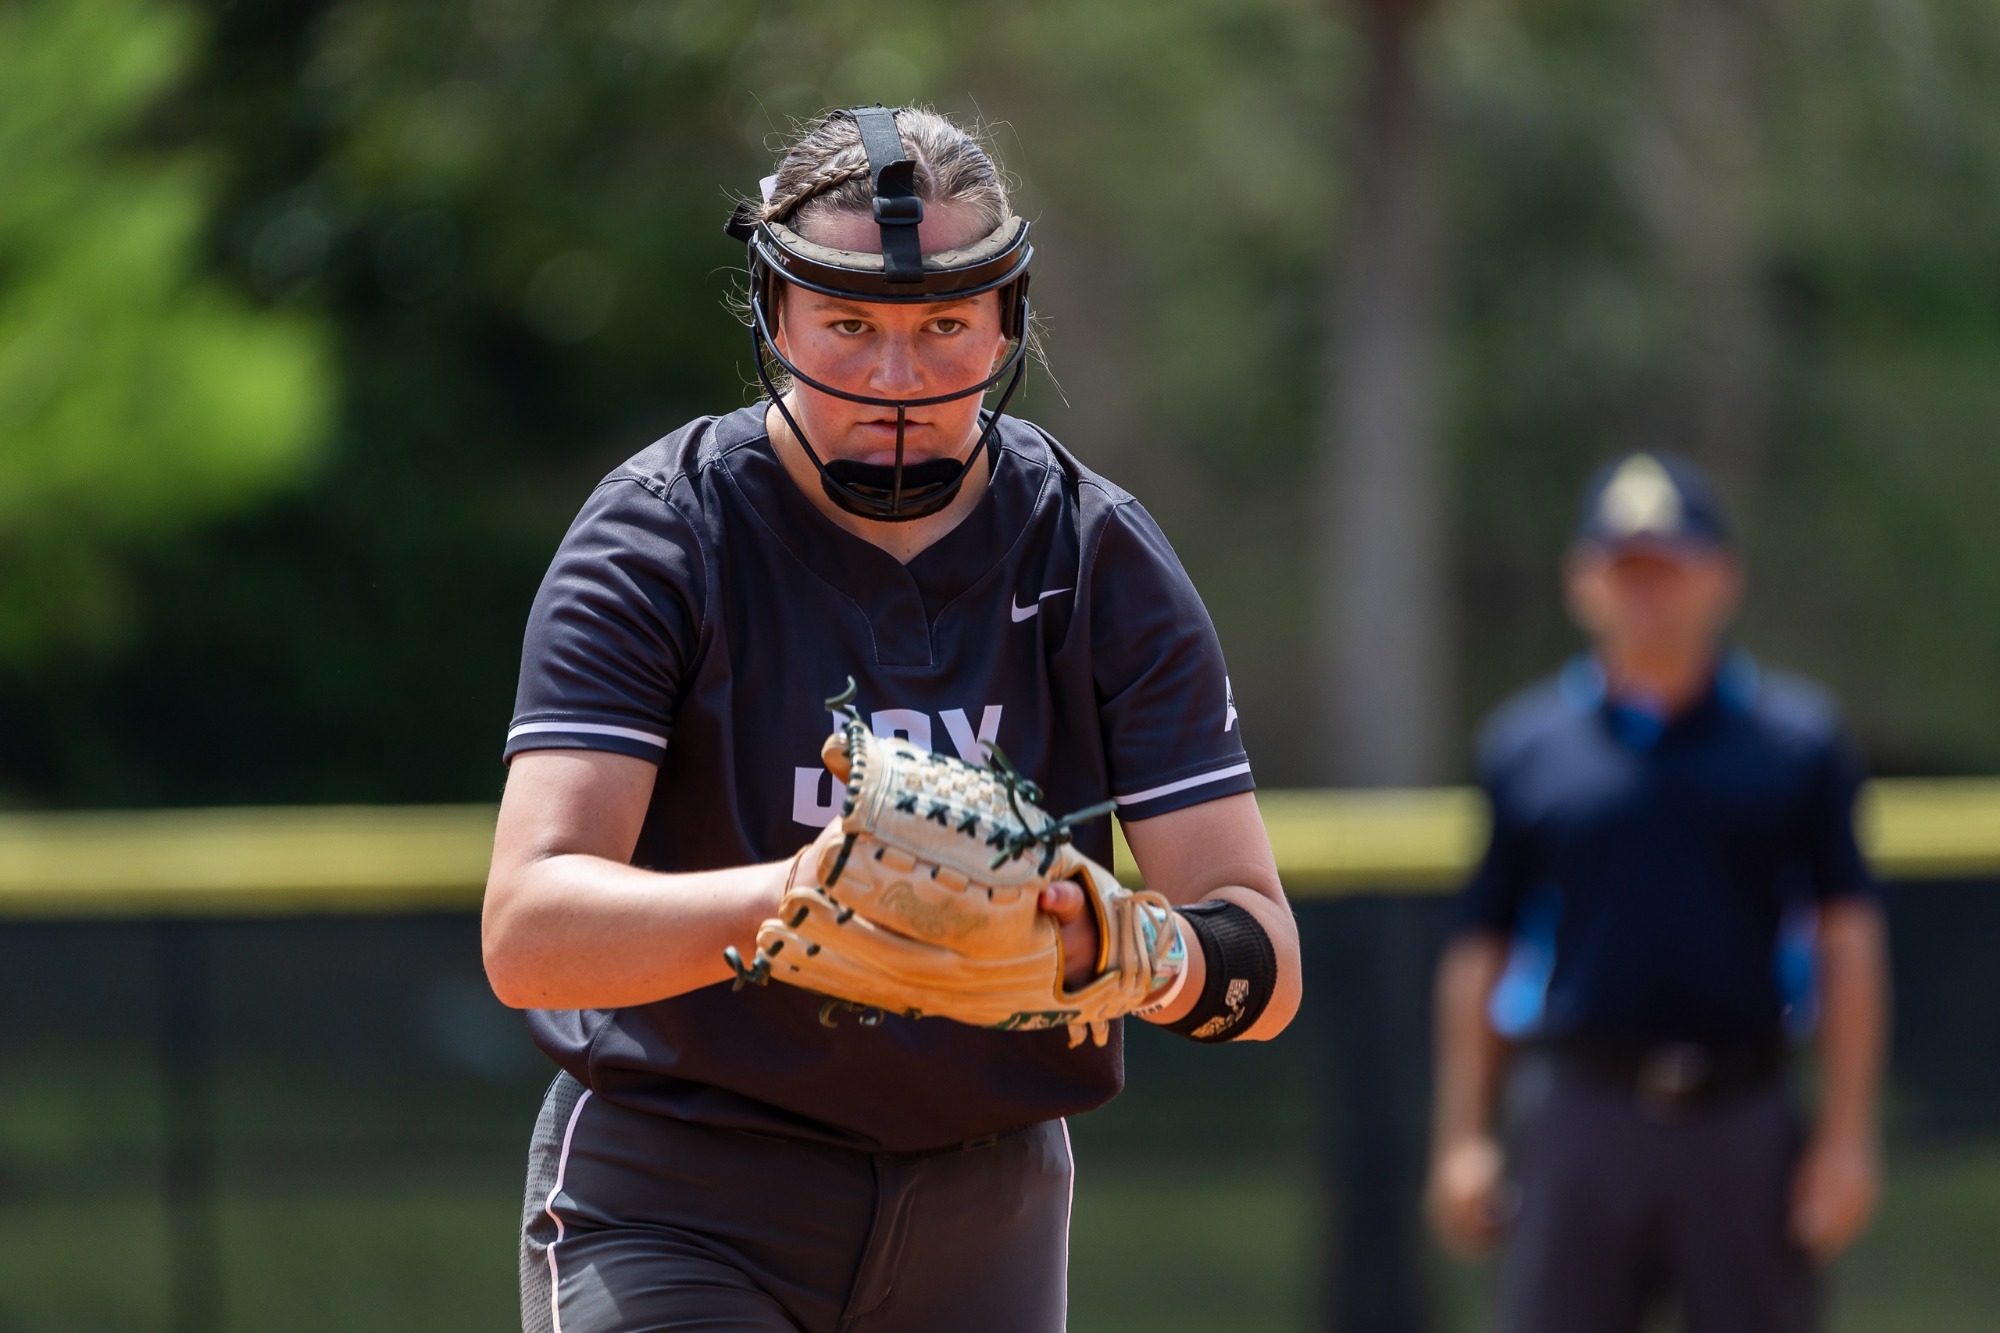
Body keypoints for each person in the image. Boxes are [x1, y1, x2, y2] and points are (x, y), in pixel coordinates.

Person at [481, 105, 1302, 1333]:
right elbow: (530, 929)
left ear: (1006, 321)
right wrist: (813, 898)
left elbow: (1265, 956)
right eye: (851, 323)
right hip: (681, 1192)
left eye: (944, 327)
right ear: (772, 312)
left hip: (990, 1211)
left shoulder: (1092, 551)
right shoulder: (660, 533)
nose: (896, 378)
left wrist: (1134, 950)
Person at [1425, 453, 1891, 1333]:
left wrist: (1845, 1135)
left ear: (1721, 578)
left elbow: (1848, 939)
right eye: (1624, 568)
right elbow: (1482, 947)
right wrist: (1464, 1135)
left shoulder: (1797, 743)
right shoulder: (1530, 746)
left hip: (1742, 1112)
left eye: (1668, 568)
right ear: (1582, 583)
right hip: (1579, 1109)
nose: (1647, 592)